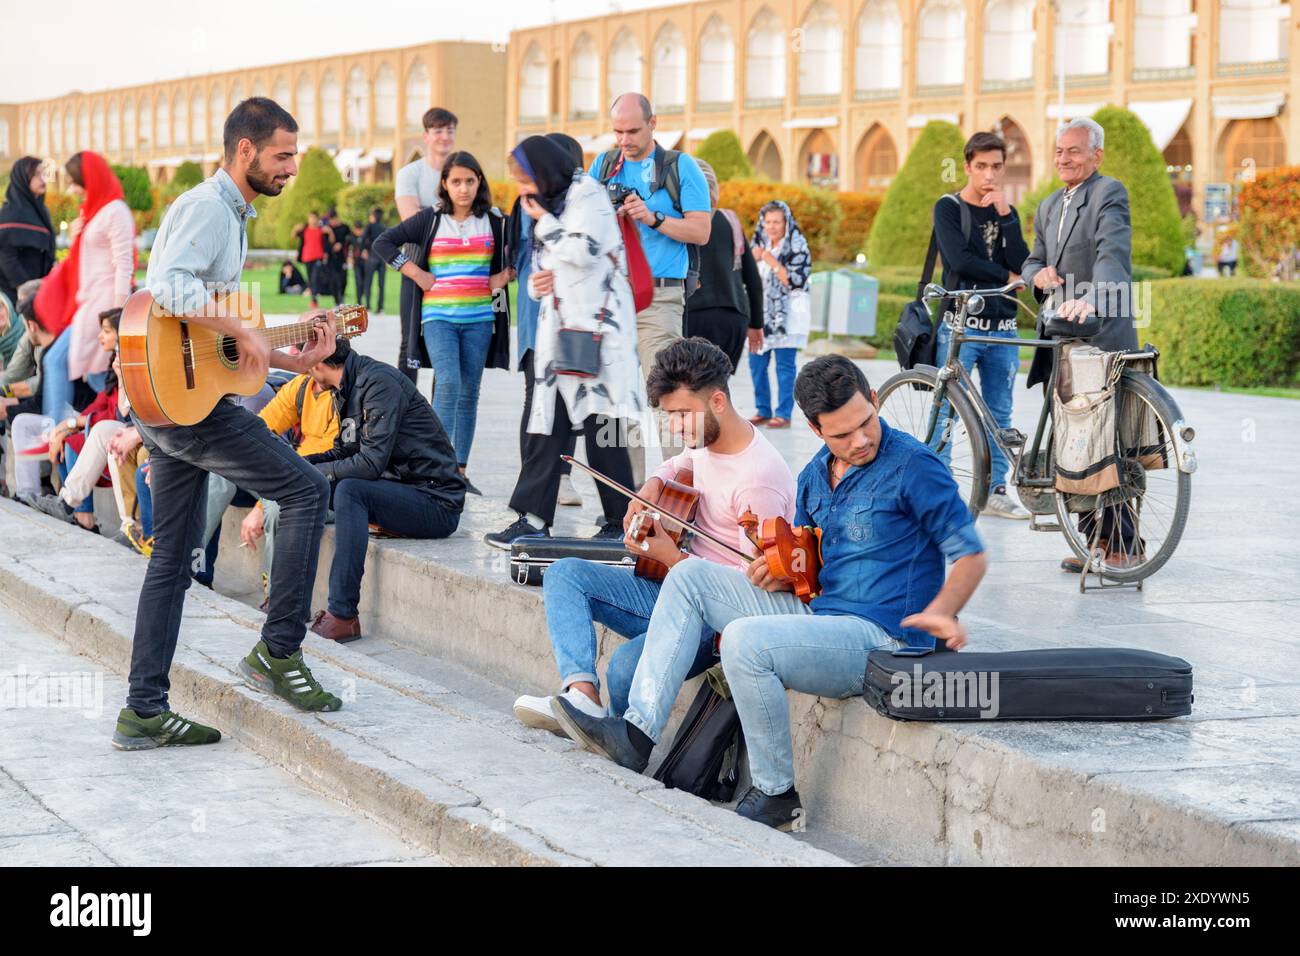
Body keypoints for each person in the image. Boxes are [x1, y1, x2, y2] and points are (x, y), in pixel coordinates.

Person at [551, 355, 987, 831]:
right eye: (841, 434)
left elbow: (970, 554)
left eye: (866, 422)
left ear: (875, 400)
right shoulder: (815, 476)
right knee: (688, 577)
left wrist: (945, 610)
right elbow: (810, 568)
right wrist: (780, 572)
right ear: (815, 430)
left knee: (744, 641)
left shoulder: (916, 468)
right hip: (820, 615)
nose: (860, 440)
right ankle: (636, 735)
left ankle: (777, 794)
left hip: (883, 638)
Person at [112, 96, 343, 753]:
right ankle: (279, 651)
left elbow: (234, 350)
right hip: (185, 409)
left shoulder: (234, 215)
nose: (292, 168)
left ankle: (142, 712)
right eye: (282, 155)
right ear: (245, 152)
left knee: (172, 564)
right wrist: (239, 327)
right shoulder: (209, 209)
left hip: (177, 404)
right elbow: (167, 288)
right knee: (306, 490)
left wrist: (298, 352)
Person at [511, 336, 796, 730]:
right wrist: (650, 488)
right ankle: (583, 697)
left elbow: (755, 592)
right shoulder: (706, 436)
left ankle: (617, 733)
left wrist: (669, 557)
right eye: (669, 417)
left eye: (682, 415)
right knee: (564, 575)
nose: (676, 428)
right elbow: (681, 461)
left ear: (717, 401)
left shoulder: (758, 480)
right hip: (671, 588)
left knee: (626, 668)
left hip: (712, 619)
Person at [484, 135, 641, 549]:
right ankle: (532, 518)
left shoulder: (587, 195)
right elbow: (543, 271)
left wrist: (545, 223)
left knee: (601, 427)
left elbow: (584, 251)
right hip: (560, 334)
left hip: (597, 333)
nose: (522, 188)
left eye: (525, 178)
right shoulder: (551, 205)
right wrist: (536, 285)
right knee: (546, 426)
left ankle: (620, 522)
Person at [1020, 117, 1141, 572]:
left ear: (1096, 156)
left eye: (1073, 151)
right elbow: (1032, 259)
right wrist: (1038, 276)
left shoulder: (1109, 194)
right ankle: (1093, 541)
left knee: (1106, 443)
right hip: (1061, 339)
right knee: (1073, 443)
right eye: (1058, 151)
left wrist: (1090, 299)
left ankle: (1124, 545)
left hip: (1100, 334)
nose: (1064, 158)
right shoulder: (1049, 205)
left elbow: (1113, 256)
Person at [306, 340, 466, 643]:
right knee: (309, 486)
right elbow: (344, 454)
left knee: (350, 490)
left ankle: (342, 615)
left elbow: (369, 464)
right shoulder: (347, 386)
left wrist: (316, 473)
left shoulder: (378, 383)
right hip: (402, 489)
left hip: (436, 502)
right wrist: (300, 465)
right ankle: (288, 600)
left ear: (318, 362)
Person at [373, 150, 510, 496]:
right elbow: (383, 243)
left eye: (469, 181)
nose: (463, 189)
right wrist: (416, 273)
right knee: (448, 383)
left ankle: (459, 471)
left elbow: (527, 249)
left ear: (479, 182)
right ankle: (436, 467)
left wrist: (505, 275)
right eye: (455, 182)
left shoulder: (494, 220)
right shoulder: (431, 219)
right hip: (439, 319)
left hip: (479, 320)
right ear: (444, 185)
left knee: (469, 393)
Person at [591, 93, 711, 480]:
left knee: (667, 393)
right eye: (617, 131)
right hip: (612, 298)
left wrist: (653, 217)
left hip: (659, 297)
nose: (624, 140)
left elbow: (701, 230)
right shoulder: (604, 164)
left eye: (632, 131)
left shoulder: (680, 166)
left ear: (653, 123)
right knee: (619, 399)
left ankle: (678, 490)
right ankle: (629, 494)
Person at [932, 131, 1031, 520]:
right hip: (961, 327)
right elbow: (958, 260)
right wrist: (1007, 278)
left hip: (1003, 327)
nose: (989, 174)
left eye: (997, 167)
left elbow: (1024, 259)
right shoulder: (949, 207)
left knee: (1000, 413)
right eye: (982, 166)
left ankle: (995, 491)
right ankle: (939, 493)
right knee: (945, 411)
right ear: (968, 167)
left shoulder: (1006, 209)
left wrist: (1006, 217)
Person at [203, 365, 339, 611]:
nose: (298, 355)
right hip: (290, 478)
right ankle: (191, 566)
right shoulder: (301, 386)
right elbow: (258, 431)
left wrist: (260, 505)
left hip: (328, 490)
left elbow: (315, 464)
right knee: (219, 474)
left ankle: (277, 599)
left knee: (277, 507)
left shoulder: (342, 396)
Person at [506, 133, 585, 512]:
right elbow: (539, 253)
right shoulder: (530, 204)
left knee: (576, 402)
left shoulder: (584, 200)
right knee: (538, 395)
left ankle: (562, 478)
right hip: (539, 316)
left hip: (575, 319)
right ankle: (536, 480)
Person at [35, 152, 133, 421]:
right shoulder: (97, 211)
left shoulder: (115, 211)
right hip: (90, 303)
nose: (72, 189)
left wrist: (117, 313)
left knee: (66, 363)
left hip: (103, 305)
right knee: (94, 371)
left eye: (75, 181)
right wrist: (79, 233)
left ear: (89, 179)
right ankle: (114, 419)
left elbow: (123, 264)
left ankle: (57, 430)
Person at [23, 307, 125, 532]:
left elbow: (119, 414)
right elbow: (101, 402)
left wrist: (72, 424)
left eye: (106, 331)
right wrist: (65, 427)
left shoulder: (128, 361)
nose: (100, 336)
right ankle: (80, 515)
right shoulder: (115, 359)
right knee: (66, 440)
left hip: (127, 431)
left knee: (74, 443)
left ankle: (79, 514)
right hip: (106, 425)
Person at [394, 107, 458, 392]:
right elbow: (412, 222)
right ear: (426, 136)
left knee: (446, 343)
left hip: (455, 268)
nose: (445, 137)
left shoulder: (461, 172)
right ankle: (406, 413)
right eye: (438, 131)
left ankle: (439, 417)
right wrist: (450, 215)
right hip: (417, 265)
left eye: (450, 130)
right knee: (410, 342)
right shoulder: (411, 173)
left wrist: (429, 212)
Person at [684, 159, 763, 372]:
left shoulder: (679, 222)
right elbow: (753, 280)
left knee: (692, 387)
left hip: (693, 316)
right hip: (733, 318)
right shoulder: (731, 220)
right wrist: (756, 324)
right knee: (717, 385)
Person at [748, 200, 811, 429]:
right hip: (759, 314)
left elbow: (796, 281)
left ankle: (783, 413)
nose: (772, 227)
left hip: (787, 317)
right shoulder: (756, 246)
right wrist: (752, 259)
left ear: (786, 223)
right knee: (756, 364)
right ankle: (762, 409)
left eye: (777, 222)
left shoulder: (796, 246)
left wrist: (771, 261)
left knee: (784, 367)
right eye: (768, 222)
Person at [0, 156, 56, 307]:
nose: (42, 178)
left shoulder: (40, 211)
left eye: (43, 173)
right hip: (14, 294)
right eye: (36, 174)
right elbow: (6, 255)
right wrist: (24, 288)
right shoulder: (11, 212)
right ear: (22, 178)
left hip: (37, 292)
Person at [291, 211, 333, 308]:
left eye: (314, 218)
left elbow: (331, 241)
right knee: (310, 279)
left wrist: (330, 232)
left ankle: (314, 299)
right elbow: (293, 236)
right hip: (307, 258)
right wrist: (295, 228)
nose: (312, 220)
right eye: (311, 218)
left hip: (318, 257)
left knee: (315, 278)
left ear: (318, 219)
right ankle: (313, 298)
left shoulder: (322, 230)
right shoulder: (304, 230)